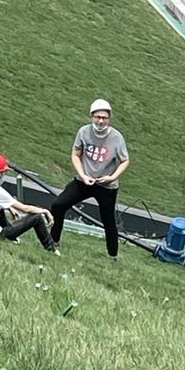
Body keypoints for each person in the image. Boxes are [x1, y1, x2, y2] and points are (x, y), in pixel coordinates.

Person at [49, 100, 130, 259]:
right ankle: (53, 241)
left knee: (108, 222)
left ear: (109, 119)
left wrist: (112, 178)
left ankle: (112, 256)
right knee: (58, 205)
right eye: (98, 117)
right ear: (92, 116)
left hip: (106, 185)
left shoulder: (116, 137)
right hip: (83, 181)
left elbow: (125, 160)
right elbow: (75, 154)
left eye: (104, 118)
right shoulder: (83, 132)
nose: (101, 121)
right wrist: (83, 175)